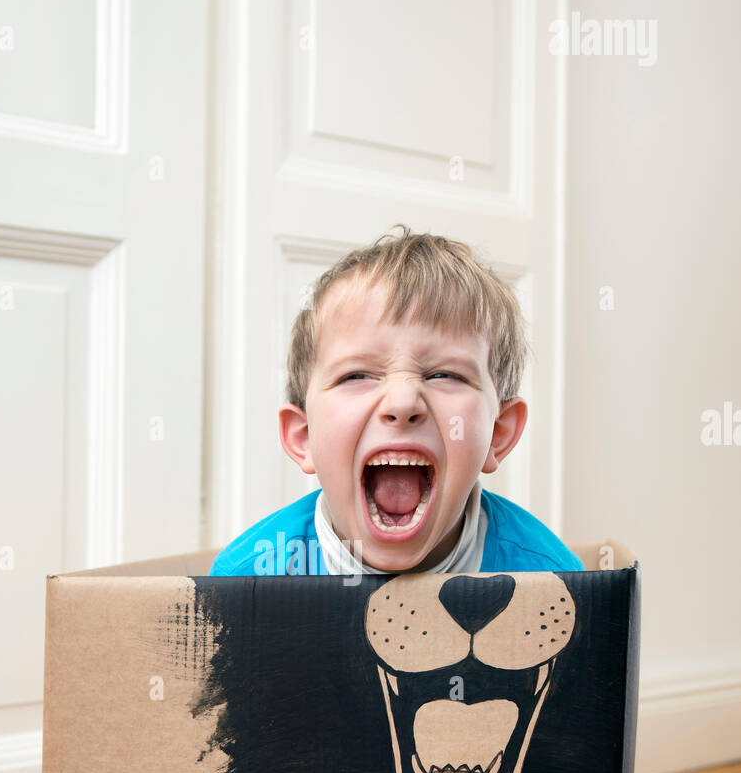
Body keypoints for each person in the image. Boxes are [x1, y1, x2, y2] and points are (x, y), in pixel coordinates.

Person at [210, 226, 583, 577]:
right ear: (303, 436)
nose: (403, 403)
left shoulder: (557, 584)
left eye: (445, 375)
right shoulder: (245, 583)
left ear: (498, 433)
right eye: (356, 376)